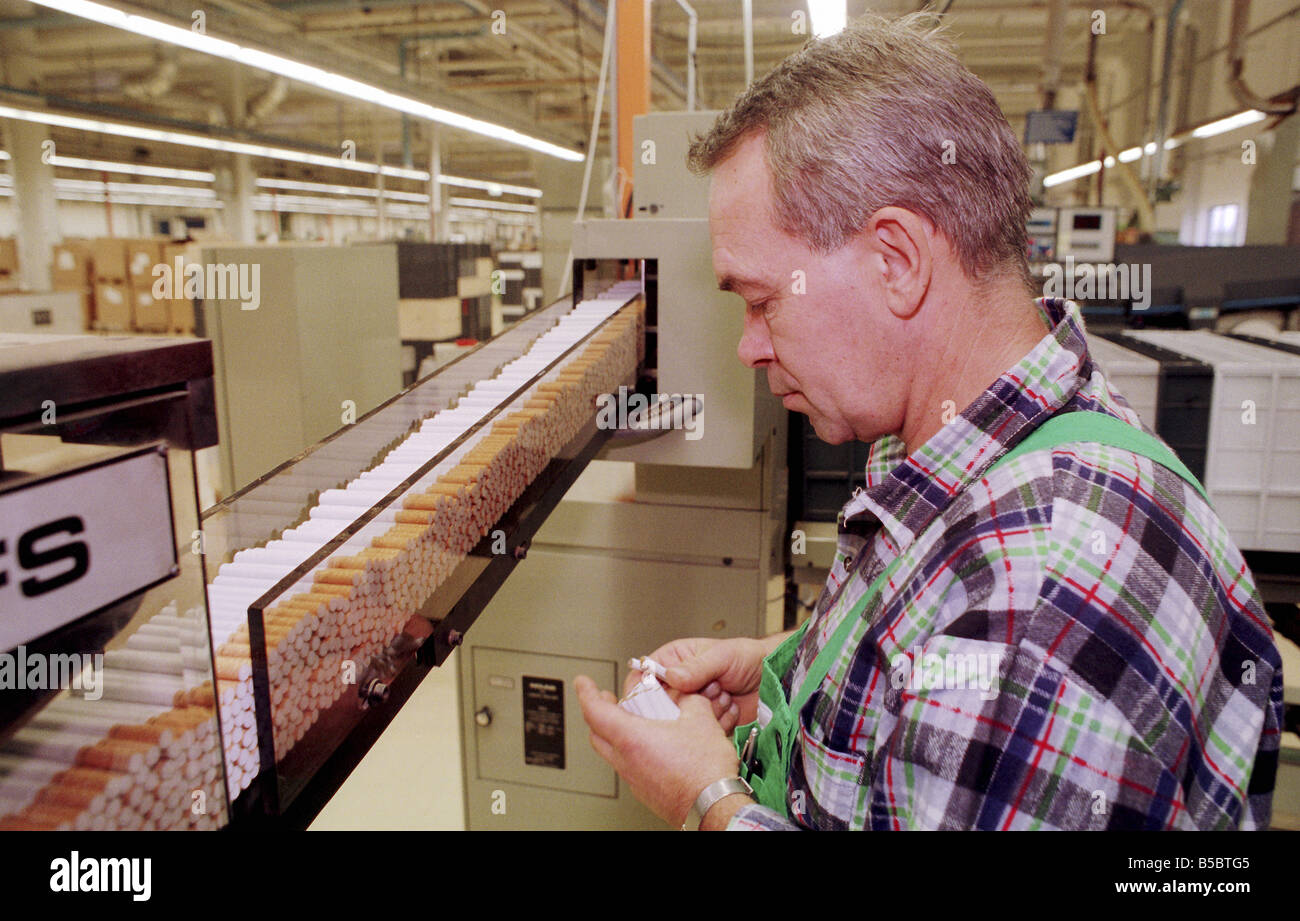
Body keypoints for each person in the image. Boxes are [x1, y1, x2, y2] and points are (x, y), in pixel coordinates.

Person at [574, 12, 1284, 830]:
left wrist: (706, 797)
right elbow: (931, 639)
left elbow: (995, 661)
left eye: (763, 301)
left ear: (897, 261)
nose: (748, 348)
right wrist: (782, 662)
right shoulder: (1003, 442)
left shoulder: (1034, 610)